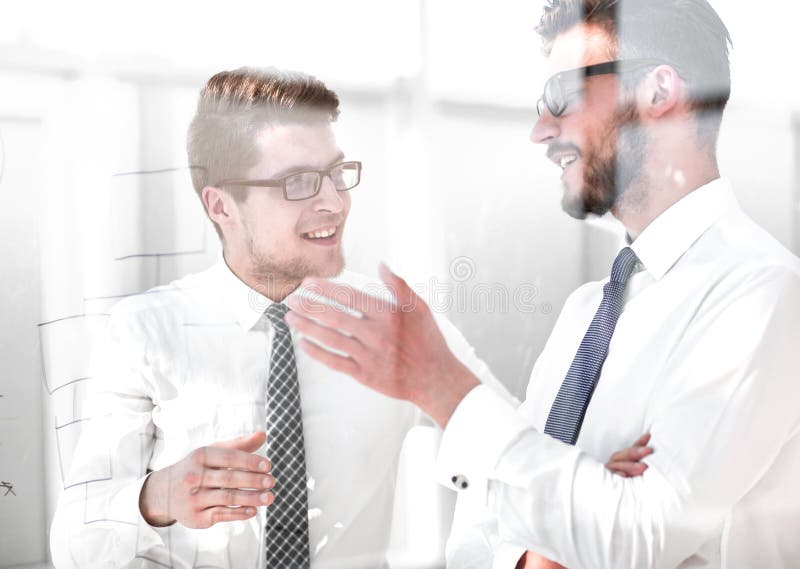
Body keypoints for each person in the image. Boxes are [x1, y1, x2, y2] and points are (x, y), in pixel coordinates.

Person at [283, 1, 800, 568]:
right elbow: (478, 542)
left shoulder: (763, 293)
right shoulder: (586, 312)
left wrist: (444, 387)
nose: (540, 131)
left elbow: (639, 537)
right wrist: (559, 534)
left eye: (563, 97)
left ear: (657, 92)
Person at [49, 67, 522, 569]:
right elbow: (73, 544)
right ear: (222, 206)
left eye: (336, 175)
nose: (334, 203)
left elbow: (522, 457)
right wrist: (155, 498)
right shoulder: (144, 332)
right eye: (298, 182)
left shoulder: (394, 323)